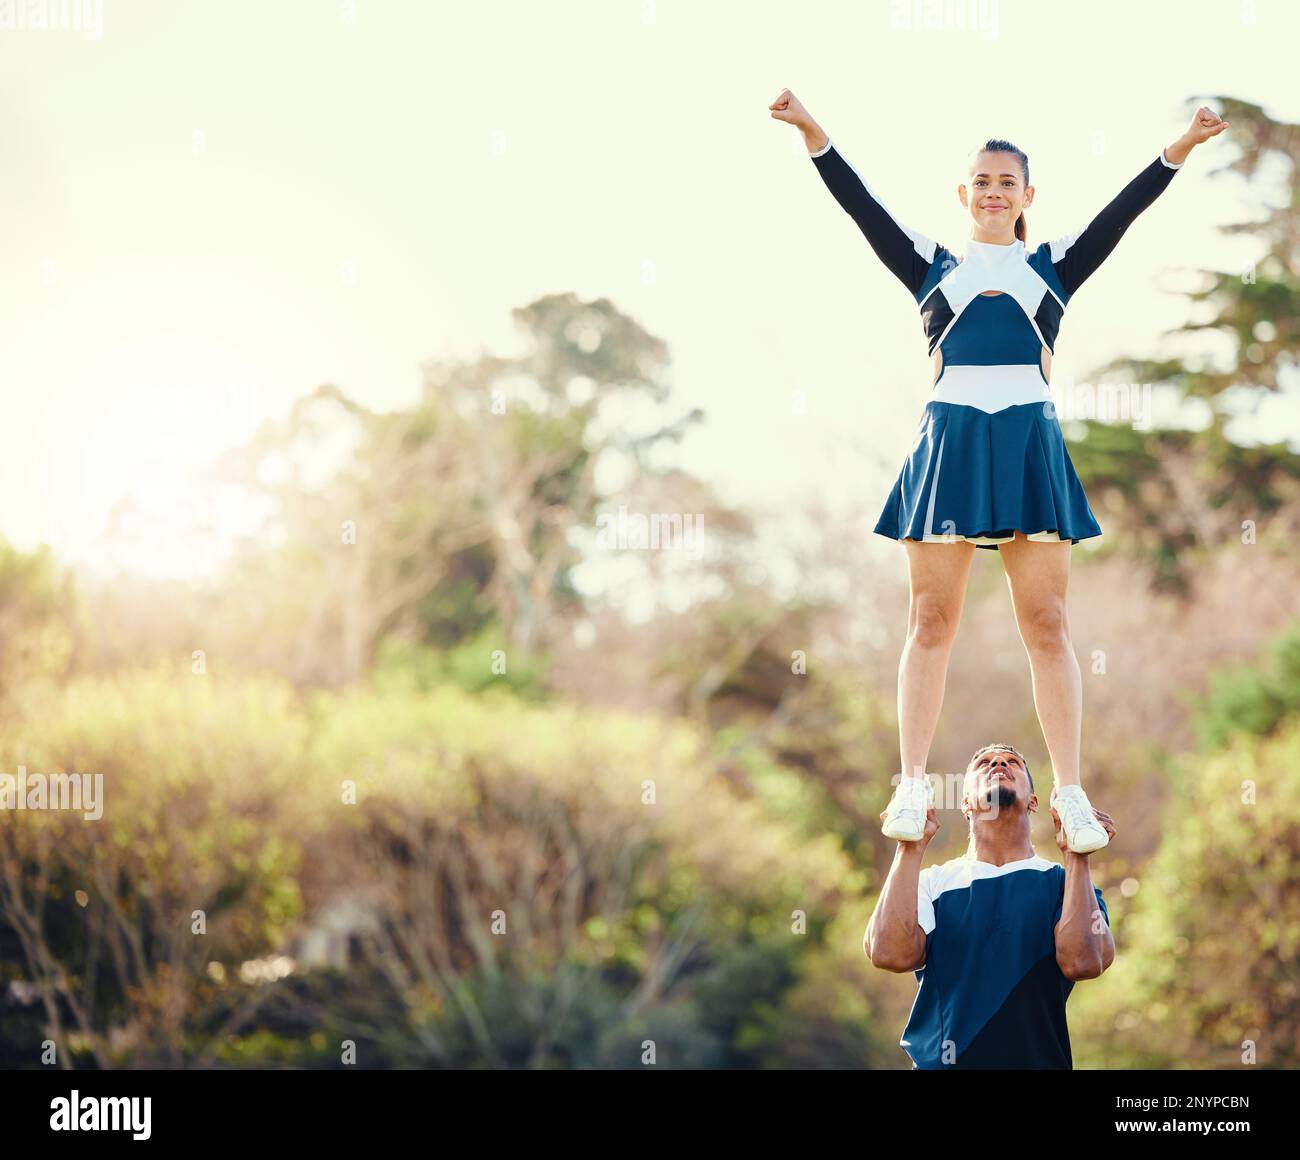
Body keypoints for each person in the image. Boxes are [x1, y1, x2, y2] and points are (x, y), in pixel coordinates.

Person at [769, 89, 1229, 853]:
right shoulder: (931, 265)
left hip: (1028, 447)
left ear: (1026, 197)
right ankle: (913, 785)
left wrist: (1180, 144)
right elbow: (863, 207)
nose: (992, 193)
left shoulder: (1053, 266)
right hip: (948, 446)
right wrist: (814, 133)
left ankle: (1072, 796)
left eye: (1006, 183)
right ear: (964, 193)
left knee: (1047, 625)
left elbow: (1124, 211)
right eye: (981, 182)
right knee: (931, 622)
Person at [865, 744, 1116, 1069]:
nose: (999, 762)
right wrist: (909, 847)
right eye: (984, 763)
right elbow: (888, 953)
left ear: (1034, 802)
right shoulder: (929, 883)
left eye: (1013, 762)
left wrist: (1078, 854)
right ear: (965, 802)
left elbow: (1085, 962)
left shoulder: (1067, 885)